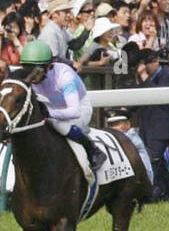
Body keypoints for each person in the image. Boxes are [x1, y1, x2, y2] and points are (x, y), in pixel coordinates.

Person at [17, 39, 104, 170]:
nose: (31, 75)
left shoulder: (64, 75)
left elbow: (74, 111)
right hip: (50, 109)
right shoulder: (27, 76)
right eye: (27, 68)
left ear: (48, 67)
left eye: (36, 70)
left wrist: (48, 113)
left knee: (56, 124)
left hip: (78, 109)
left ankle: (94, 150)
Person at [135, 49, 169, 200]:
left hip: (161, 128)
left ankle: (157, 194)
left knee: (154, 161)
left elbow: (156, 95)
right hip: (148, 126)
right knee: (158, 164)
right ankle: (166, 194)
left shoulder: (168, 75)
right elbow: (137, 97)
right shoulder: (148, 77)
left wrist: (143, 77)